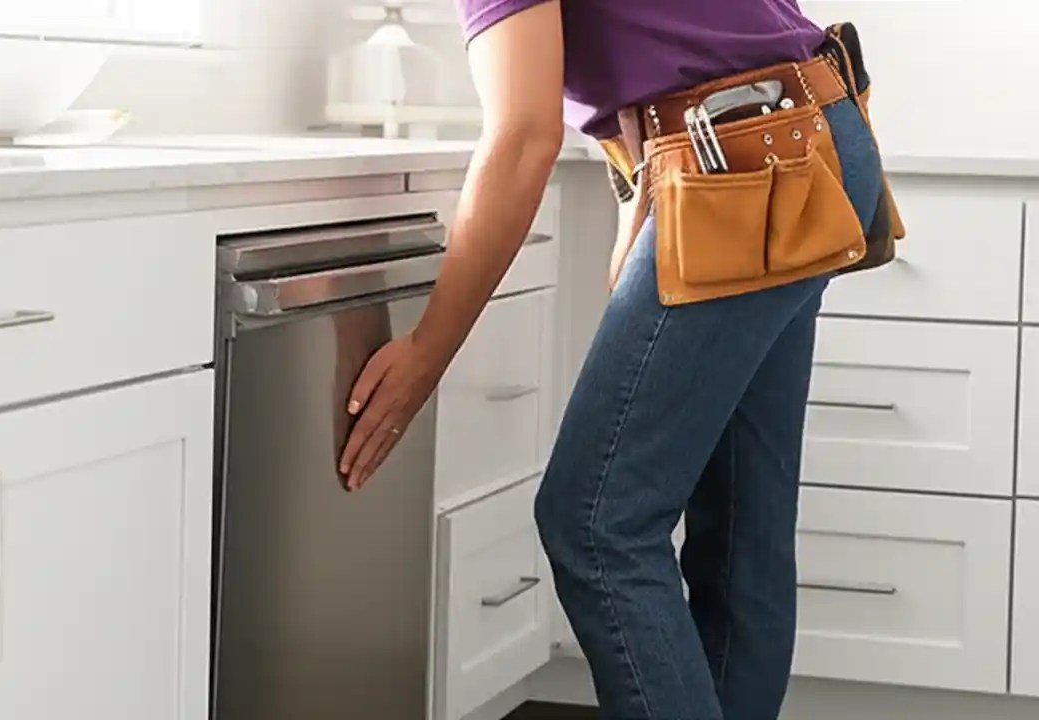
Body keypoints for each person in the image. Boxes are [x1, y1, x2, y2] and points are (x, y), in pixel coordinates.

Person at [336, 1, 893, 717]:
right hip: (808, 127)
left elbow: (523, 136)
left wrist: (425, 352)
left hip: (743, 158)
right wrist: (645, 184)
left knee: (598, 522)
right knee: (742, 528)